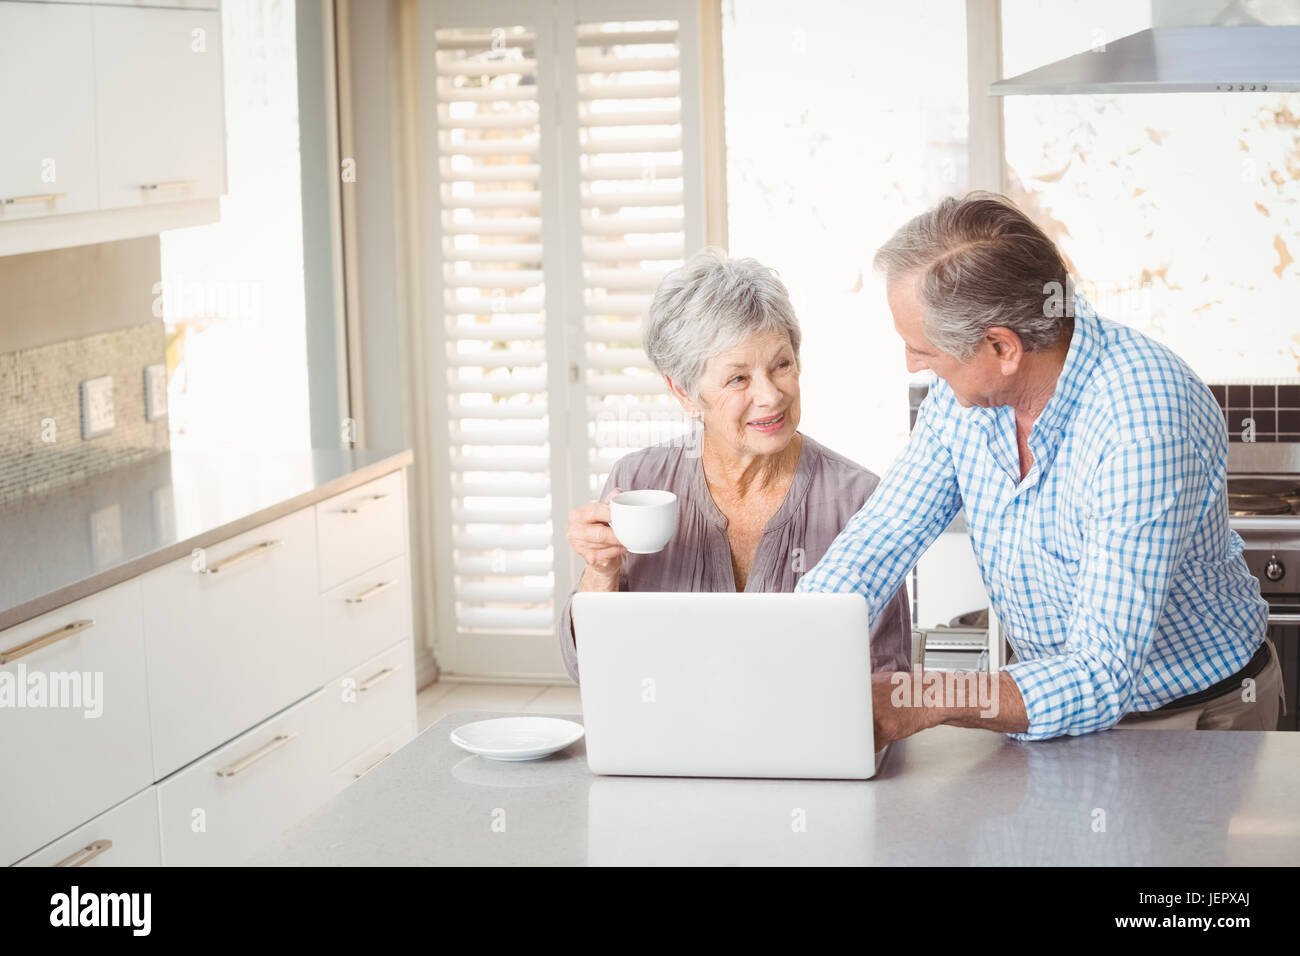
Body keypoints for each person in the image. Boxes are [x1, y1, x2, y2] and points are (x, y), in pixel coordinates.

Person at [796, 191, 1282, 743]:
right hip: (1052, 708)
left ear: (1002, 348)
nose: (913, 364)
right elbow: (882, 536)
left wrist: (921, 697)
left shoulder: (1142, 419)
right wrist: (790, 649)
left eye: (924, 349)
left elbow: (1100, 673)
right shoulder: (963, 405)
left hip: (1191, 717)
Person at [557, 248, 913, 682]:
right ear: (685, 393)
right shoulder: (638, 482)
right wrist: (602, 571)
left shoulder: (857, 500)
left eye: (781, 365)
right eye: (738, 378)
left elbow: (888, 675)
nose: (770, 395)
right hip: (668, 737)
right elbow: (589, 668)